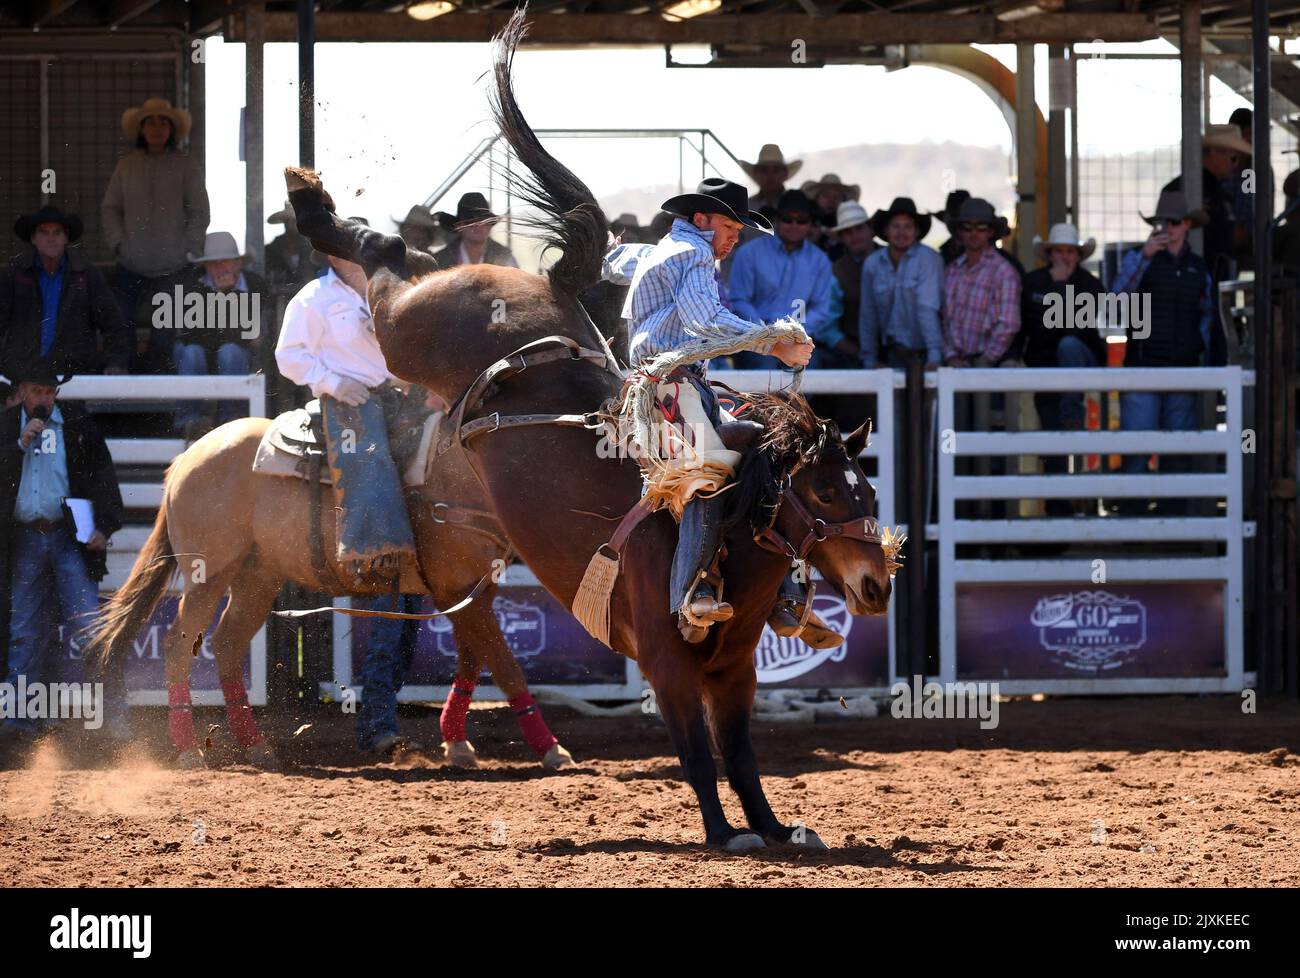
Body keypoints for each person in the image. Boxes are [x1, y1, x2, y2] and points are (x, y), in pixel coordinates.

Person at [599, 177, 841, 648]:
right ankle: (697, 591)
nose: (734, 237)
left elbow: (616, 264)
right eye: (730, 225)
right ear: (701, 219)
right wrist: (774, 341)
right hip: (669, 386)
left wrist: (602, 249)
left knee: (757, 456)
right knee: (709, 473)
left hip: (676, 385)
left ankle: (779, 592)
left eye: (737, 228)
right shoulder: (692, 255)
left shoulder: (664, 250)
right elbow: (704, 321)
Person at [0, 357, 128, 748]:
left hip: (66, 536)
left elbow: (103, 476)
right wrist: (19, 445)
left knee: (92, 628)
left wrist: (104, 526)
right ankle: (17, 722)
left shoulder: (77, 427)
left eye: (50, 392)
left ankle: (111, 720)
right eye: (38, 391)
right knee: (24, 631)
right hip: (24, 538)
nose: (45, 399)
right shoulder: (9, 429)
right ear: (22, 392)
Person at [274, 253, 416, 585]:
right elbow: (288, 355)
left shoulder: (387, 290)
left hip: (397, 391)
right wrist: (335, 384)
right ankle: (373, 551)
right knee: (368, 454)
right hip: (351, 397)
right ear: (332, 256)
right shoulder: (314, 297)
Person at [1111, 191, 1213, 517]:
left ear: (1186, 225)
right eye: (1160, 222)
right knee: (1137, 448)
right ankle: (1132, 521)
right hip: (1142, 367)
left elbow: (1209, 319)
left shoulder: (1200, 269)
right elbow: (1115, 301)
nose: (1166, 227)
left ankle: (1174, 522)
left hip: (1183, 370)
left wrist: (1201, 354)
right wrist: (1144, 256)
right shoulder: (1137, 258)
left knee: (1178, 451)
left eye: (1172, 222)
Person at [101, 97, 210, 375]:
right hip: (131, 261)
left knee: (167, 321)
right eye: (151, 122)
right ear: (141, 129)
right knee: (119, 314)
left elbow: (200, 210)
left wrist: (189, 248)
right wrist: (118, 243)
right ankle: (119, 367)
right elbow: (110, 208)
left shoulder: (185, 164)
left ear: (172, 129)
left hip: (174, 264)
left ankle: (158, 374)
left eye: (164, 122)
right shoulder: (126, 165)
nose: (157, 127)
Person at [1022, 223, 1107, 514]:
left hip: (1081, 372)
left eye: (1069, 251)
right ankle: (1058, 508)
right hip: (1045, 373)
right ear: (1049, 254)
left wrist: (1056, 292)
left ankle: (1073, 412)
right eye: (1059, 250)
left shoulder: (1091, 284)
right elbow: (1036, 330)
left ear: (1077, 255)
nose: (1064, 256)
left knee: (1069, 346)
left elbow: (1077, 330)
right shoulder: (1032, 282)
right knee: (1052, 438)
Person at [1, 206, 129, 377]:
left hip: (72, 375)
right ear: (33, 238)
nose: (51, 238)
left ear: (66, 238)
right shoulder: (15, 275)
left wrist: (116, 363)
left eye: (57, 232)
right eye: (44, 232)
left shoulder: (86, 275)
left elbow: (113, 323)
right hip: (23, 376)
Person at [726, 189, 839, 369]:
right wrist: (765, 335)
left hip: (800, 340)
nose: (794, 225)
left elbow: (820, 308)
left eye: (801, 221)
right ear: (776, 221)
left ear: (810, 224)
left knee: (809, 373)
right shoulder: (748, 254)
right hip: (754, 341)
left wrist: (797, 335)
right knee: (764, 373)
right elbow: (739, 300)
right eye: (788, 219)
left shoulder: (819, 260)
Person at [172, 232, 268, 441]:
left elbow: (252, 335)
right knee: (191, 353)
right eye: (212, 263)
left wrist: (229, 296)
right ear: (205, 266)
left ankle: (231, 420)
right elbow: (193, 335)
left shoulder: (255, 284)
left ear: (237, 263)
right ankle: (188, 422)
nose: (219, 268)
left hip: (236, 357)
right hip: (200, 354)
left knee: (230, 352)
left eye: (224, 261)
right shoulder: (192, 285)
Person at [858, 197, 944, 370]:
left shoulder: (929, 259)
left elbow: (927, 308)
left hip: (925, 352)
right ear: (886, 231)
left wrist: (935, 356)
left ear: (917, 231)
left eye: (908, 226)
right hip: (890, 354)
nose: (901, 232)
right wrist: (869, 358)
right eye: (895, 226)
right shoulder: (873, 264)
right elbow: (868, 314)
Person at [942, 197, 1022, 367]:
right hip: (954, 364)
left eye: (981, 227)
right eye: (967, 227)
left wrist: (986, 360)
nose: (974, 233)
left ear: (990, 232)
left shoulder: (1004, 272)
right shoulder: (951, 271)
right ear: (960, 232)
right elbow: (943, 319)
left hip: (988, 365)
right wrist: (951, 356)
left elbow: (1009, 323)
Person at [825, 201, 875, 356]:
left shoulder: (894, 260)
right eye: (847, 232)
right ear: (841, 238)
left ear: (871, 230)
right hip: (852, 352)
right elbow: (827, 328)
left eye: (859, 228)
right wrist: (860, 355)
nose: (855, 236)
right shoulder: (836, 271)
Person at [431, 193, 519, 269]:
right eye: (471, 221)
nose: (479, 226)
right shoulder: (439, 261)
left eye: (484, 221)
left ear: (490, 225)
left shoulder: (505, 257)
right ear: (459, 226)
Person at [800, 173, 860, 257]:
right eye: (826, 196)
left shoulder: (851, 228)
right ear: (816, 199)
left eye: (837, 197)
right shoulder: (803, 225)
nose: (831, 200)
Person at [264, 200, 318, 291]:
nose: (291, 225)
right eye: (288, 221)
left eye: (295, 221)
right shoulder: (272, 249)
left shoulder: (312, 248)